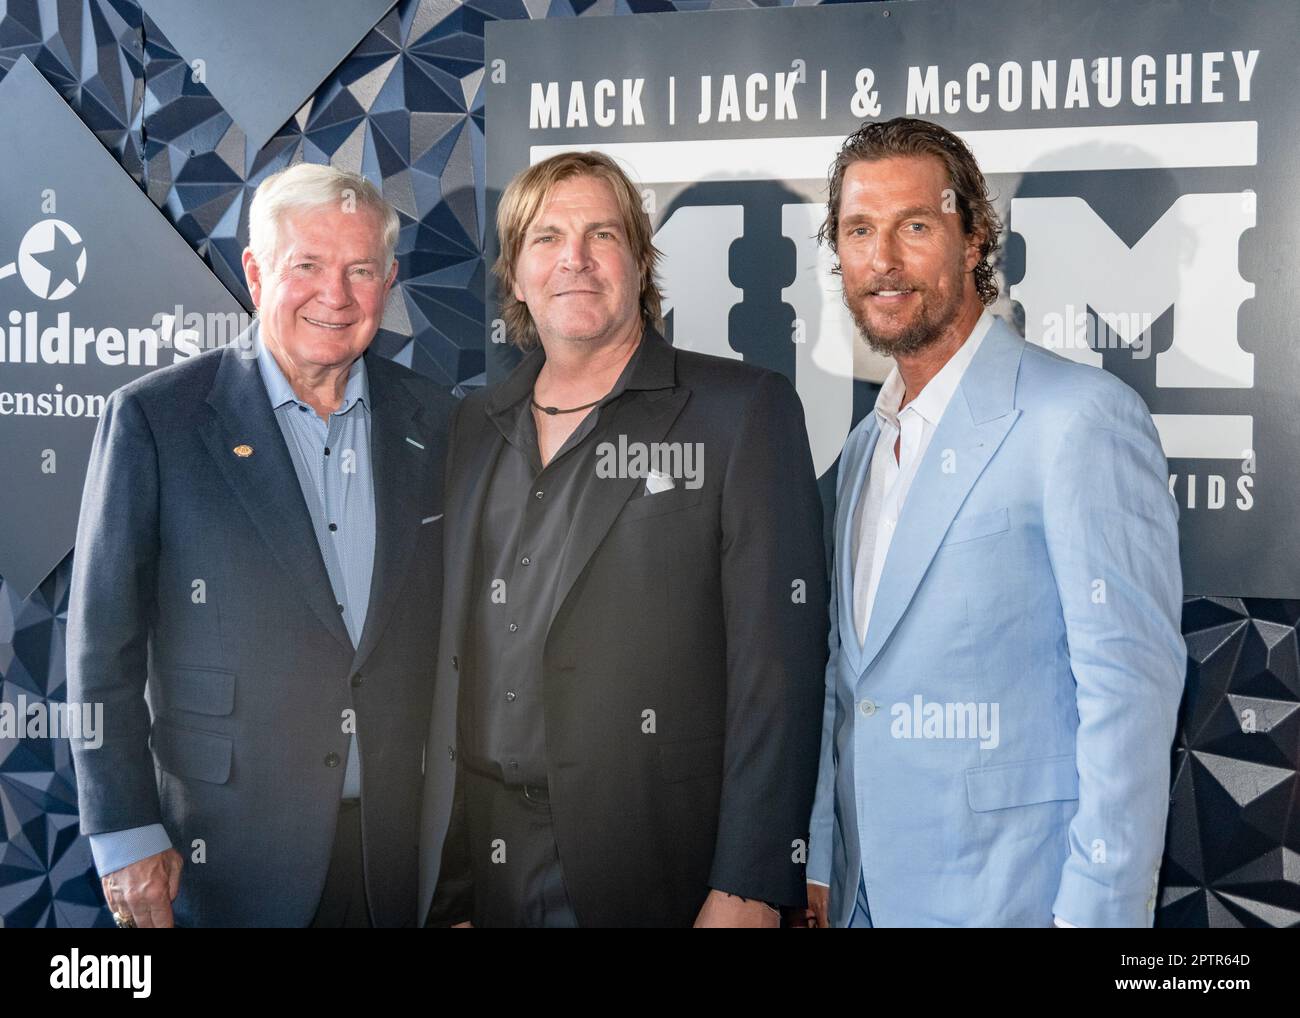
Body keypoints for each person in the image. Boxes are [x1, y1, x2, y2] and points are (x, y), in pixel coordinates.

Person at [418, 151, 828, 927]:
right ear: (515, 273)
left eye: (601, 233)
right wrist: (455, 888)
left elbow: (778, 669)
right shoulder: (473, 427)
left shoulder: (738, 412)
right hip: (490, 868)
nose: (573, 257)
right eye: (546, 237)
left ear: (640, 261)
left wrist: (749, 883)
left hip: (665, 870)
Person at [806, 118, 1186, 927]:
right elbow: (848, 684)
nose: (883, 260)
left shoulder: (1078, 419)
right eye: (858, 230)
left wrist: (1097, 917)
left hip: (1017, 901)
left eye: (915, 225)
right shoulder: (864, 450)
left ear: (974, 238)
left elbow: (1130, 689)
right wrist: (823, 858)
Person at [67, 163, 456, 927]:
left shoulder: (438, 421)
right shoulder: (158, 420)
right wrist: (122, 830)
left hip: (398, 860)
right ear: (255, 271)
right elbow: (100, 648)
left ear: (389, 281)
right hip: (221, 854)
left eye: (360, 270)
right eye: (306, 265)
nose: (335, 295)